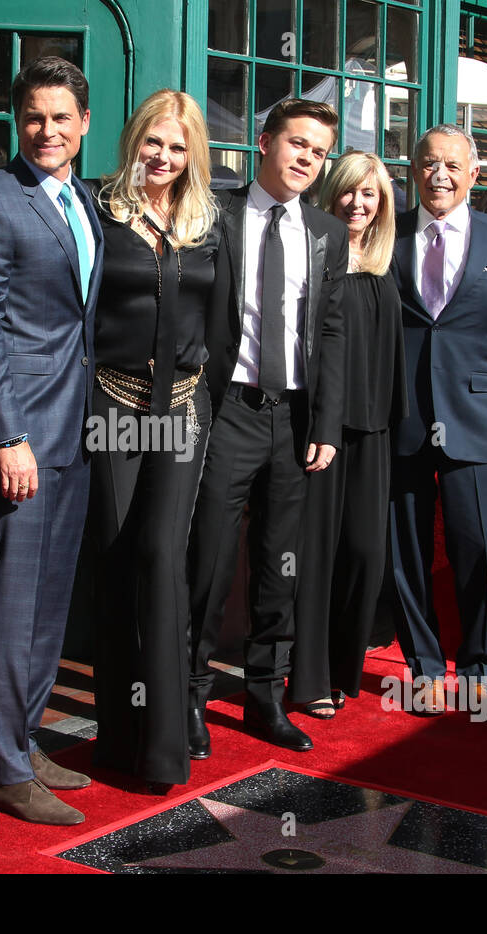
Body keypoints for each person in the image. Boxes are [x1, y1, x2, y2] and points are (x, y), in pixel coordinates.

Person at [0, 56, 102, 826]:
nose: (47, 130)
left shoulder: (86, 199)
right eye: (34, 116)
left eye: (61, 117)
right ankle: (4, 768)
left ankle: (26, 738)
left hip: (77, 432)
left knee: (47, 602)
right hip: (24, 435)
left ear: (83, 123)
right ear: (19, 121)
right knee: (12, 602)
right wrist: (6, 435)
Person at [187, 99, 347, 758]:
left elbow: (332, 330)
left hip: (294, 419)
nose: (308, 157)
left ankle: (264, 698)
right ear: (264, 142)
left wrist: (328, 421)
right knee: (210, 563)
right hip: (227, 413)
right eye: (297, 143)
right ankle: (189, 698)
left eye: (319, 150)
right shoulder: (216, 213)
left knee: (279, 568)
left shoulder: (327, 232)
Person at [387, 124, 487, 720]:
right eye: (429, 164)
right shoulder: (387, 235)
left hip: (477, 416)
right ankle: (424, 670)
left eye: (453, 165)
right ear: (413, 171)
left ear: (474, 175)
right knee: (403, 552)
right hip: (398, 417)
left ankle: (480, 671)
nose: (440, 175)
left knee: (481, 546)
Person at [87, 90, 220, 790]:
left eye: (177, 147)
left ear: (192, 153)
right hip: (110, 402)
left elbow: (221, 325)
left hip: (183, 407)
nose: (162, 158)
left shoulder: (207, 222)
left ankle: (164, 746)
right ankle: (116, 737)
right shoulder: (94, 210)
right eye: (152, 143)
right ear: (132, 140)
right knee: (114, 560)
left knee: (162, 557)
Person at [288, 151, 407, 718]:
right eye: (349, 193)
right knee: (315, 557)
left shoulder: (387, 260)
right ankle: (308, 678)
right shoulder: (313, 252)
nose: (359, 204)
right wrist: (318, 423)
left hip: (375, 430)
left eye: (371, 195)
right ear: (331, 193)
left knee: (365, 552)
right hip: (321, 430)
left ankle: (343, 668)